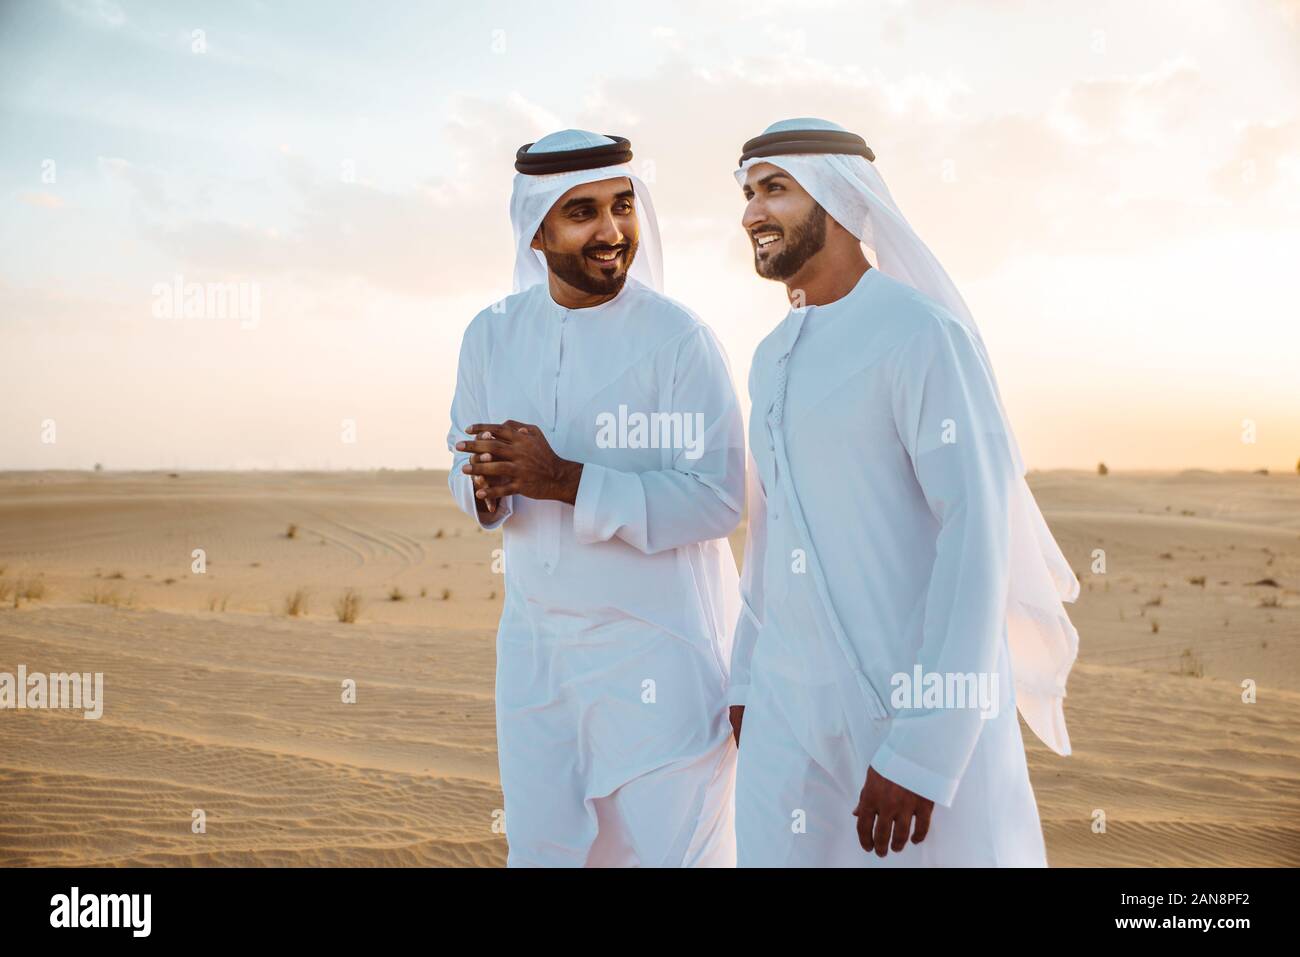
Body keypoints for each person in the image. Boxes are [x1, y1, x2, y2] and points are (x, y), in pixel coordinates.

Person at [728, 118, 1080, 866]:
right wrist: (747, 675)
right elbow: (772, 535)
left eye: (776, 189)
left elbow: (974, 537)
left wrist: (925, 745)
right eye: (749, 193)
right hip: (786, 716)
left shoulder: (921, 336)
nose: (753, 212)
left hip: (905, 712)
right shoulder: (771, 357)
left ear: (841, 199)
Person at [447, 129, 744, 866]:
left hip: (660, 658)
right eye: (583, 213)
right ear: (538, 229)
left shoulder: (680, 340)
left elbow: (719, 498)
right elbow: (459, 464)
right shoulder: (489, 335)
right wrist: (484, 489)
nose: (612, 232)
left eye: (623, 206)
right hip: (536, 658)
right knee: (545, 853)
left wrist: (566, 479)